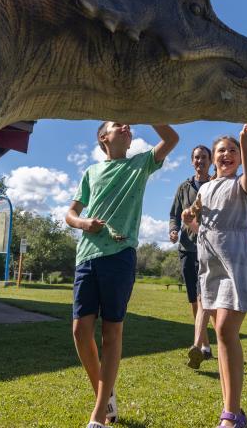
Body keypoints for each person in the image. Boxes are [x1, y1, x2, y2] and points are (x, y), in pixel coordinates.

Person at [66, 122, 178, 428]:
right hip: (87, 255)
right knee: (80, 331)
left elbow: (171, 138)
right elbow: (70, 213)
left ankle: (99, 414)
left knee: (111, 332)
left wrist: (148, 112)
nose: (126, 126)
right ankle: (106, 393)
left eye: (128, 124)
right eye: (118, 124)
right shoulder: (91, 171)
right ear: (104, 137)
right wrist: (83, 223)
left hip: (120, 256)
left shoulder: (140, 164)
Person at [182, 125, 247, 428]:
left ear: (240, 158)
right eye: (221, 151)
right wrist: (190, 221)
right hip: (210, 265)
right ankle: (233, 412)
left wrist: (246, 139)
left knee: (227, 329)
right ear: (213, 159)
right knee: (222, 336)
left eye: (232, 151)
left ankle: (230, 415)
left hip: (238, 262)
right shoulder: (204, 189)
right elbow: (202, 228)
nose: (226, 154)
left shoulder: (244, 183)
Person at [169, 145, 214, 368]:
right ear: (192, 161)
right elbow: (173, 214)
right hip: (187, 249)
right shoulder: (184, 187)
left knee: (207, 297)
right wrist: (173, 230)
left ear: (211, 160)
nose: (200, 161)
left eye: (204, 157)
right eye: (196, 157)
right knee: (193, 298)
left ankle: (209, 342)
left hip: (211, 248)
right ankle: (204, 346)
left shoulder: (217, 184)